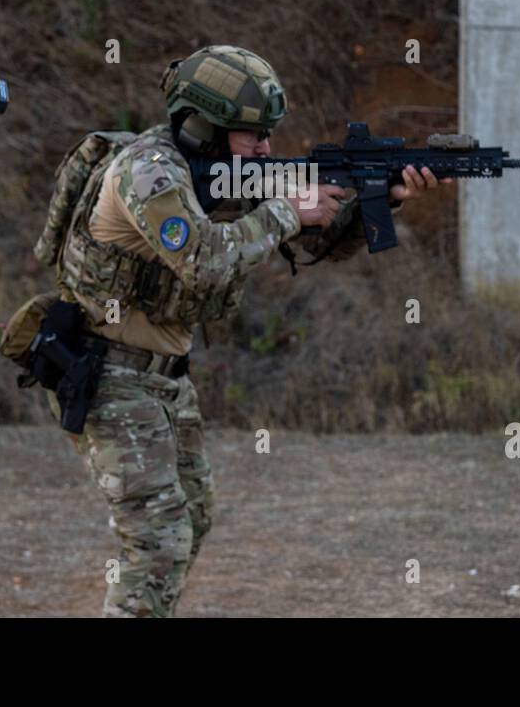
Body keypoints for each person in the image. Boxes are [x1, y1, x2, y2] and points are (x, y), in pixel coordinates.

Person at [34, 44, 446, 616]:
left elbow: (314, 244)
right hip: (108, 373)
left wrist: (378, 202)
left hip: (164, 380)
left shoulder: (227, 176)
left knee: (191, 521)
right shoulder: (147, 174)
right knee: (158, 543)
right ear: (202, 128)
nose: (267, 149)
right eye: (252, 136)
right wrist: (287, 210)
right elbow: (205, 260)